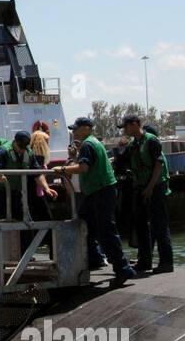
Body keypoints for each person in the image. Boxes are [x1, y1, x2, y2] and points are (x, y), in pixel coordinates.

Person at [52, 117, 136, 283]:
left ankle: (122, 268)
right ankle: (94, 257)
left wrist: (62, 169)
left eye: (76, 128)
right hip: (98, 190)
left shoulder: (88, 145)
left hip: (100, 190)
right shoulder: (92, 143)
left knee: (105, 230)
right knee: (87, 222)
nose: (73, 131)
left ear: (86, 128)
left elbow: (84, 168)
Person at [0, 131, 59, 255]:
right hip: (0, 194)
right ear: (15, 142)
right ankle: (3, 256)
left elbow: (37, 174)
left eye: (24, 147)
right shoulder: (2, 151)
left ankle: (24, 255)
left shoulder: (29, 153)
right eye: (20, 147)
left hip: (17, 194)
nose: (22, 150)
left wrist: (46, 188)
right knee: (1, 224)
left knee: (25, 225)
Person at [122, 114, 173, 274]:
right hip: (140, 186)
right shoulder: (133, 143)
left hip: (155, 187)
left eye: (126, 126)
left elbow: (158, 164)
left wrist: (150, 187)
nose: (125, 130)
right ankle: (145, 260)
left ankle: (166, 263)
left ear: (135, 124)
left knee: (160, 225)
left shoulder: (151, 140)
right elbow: (123, 160)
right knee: (141, 224)